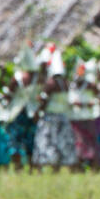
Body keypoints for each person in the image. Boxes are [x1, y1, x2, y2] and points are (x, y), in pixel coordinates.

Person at [31, 43, 78, 172]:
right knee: (61, 142)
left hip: (50, 116)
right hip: (63, 116)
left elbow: (44, 101)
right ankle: (57, 168)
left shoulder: (51, 83)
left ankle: (43, 168)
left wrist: (38, 112)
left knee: (46, 142)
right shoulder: (65, 83)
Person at [68, 57, 100, 172]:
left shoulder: (90, 85)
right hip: (75, 118)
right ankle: (77, 167)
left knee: (90, 143)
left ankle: (93, 167)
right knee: (77, 143)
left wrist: (89, 103)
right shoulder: (71, 85)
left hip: (87, 118)